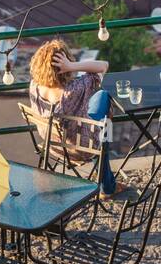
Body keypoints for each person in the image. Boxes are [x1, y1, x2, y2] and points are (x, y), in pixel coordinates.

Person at [28, 39, 120, 194]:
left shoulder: (34, 87)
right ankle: (108, 187)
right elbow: (103, 65)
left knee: (102, 110)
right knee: (105, 116)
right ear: (63, 65)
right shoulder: (76, 88)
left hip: (53, 145)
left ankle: (107, 181)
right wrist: (72, 66)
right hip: (80, 149)